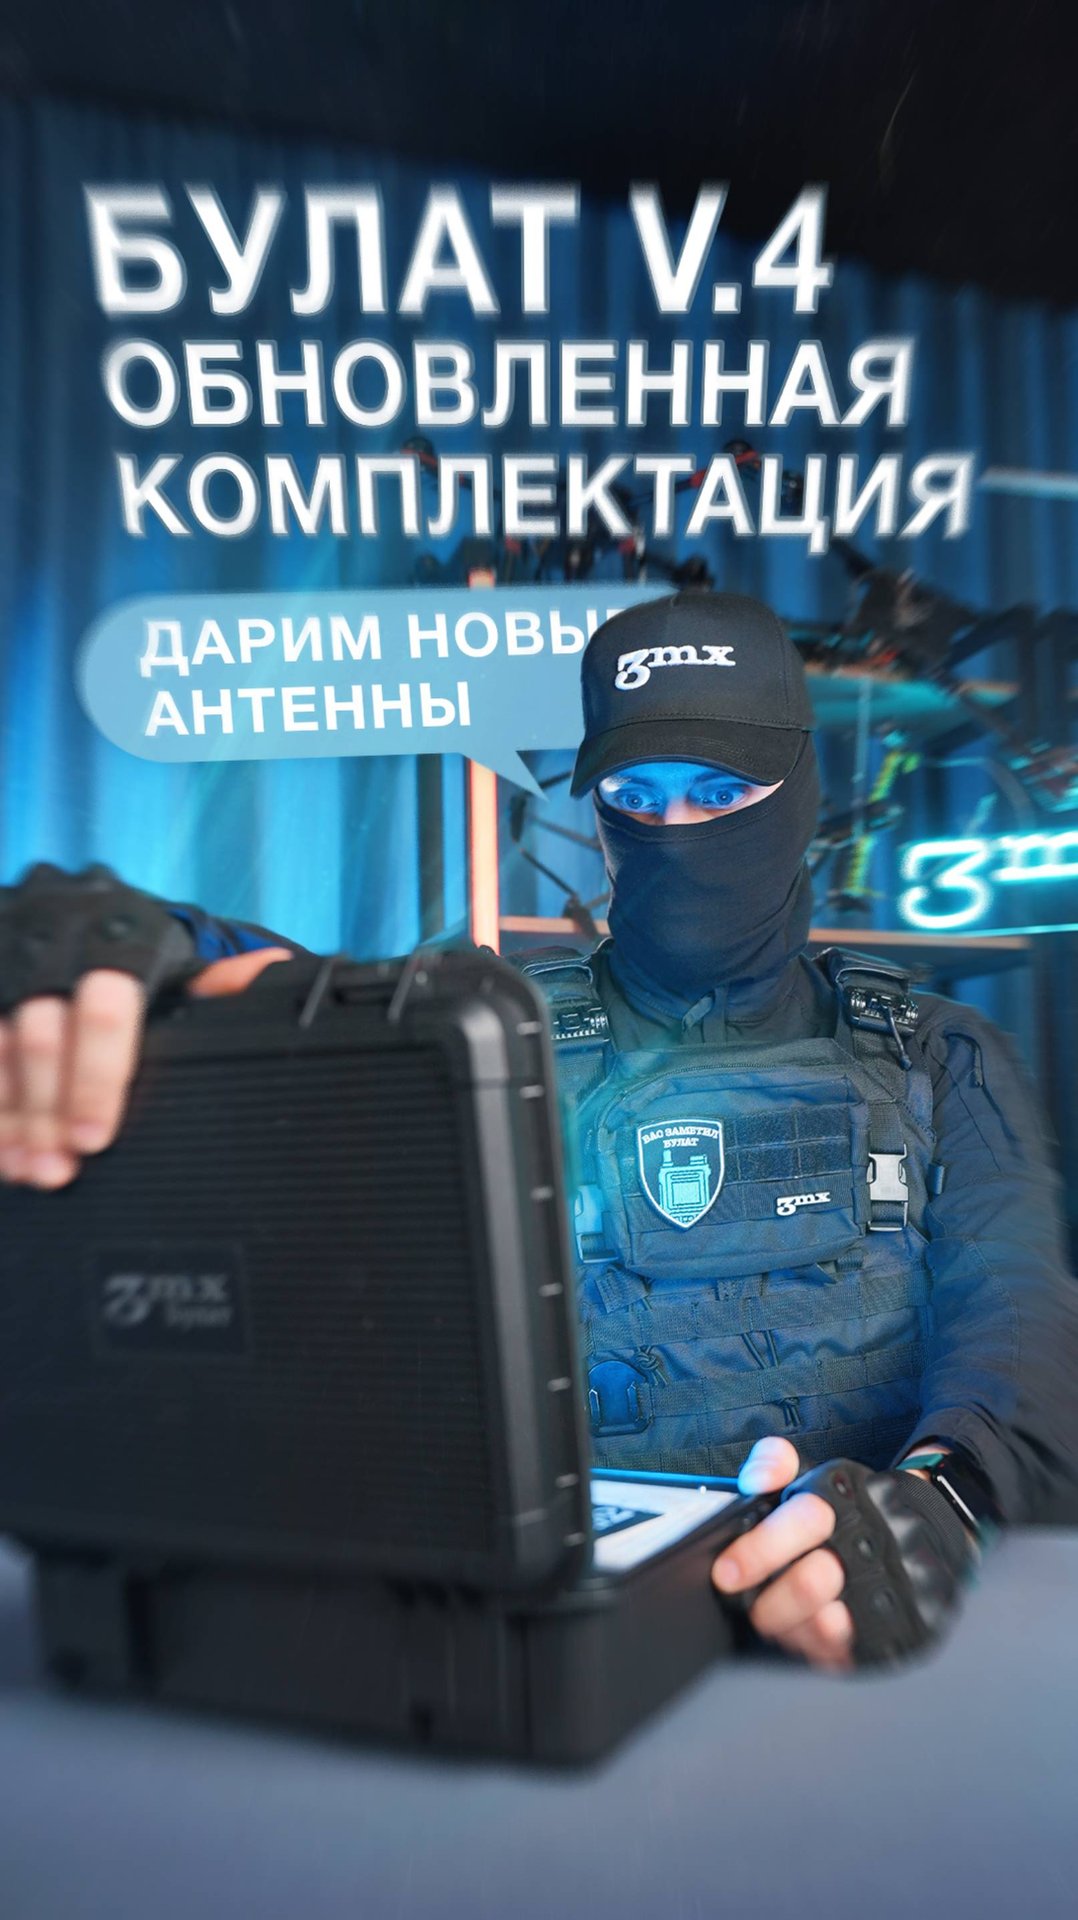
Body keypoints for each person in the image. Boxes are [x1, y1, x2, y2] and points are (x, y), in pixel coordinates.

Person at [2, 590, 1077, 1673]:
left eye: (720, 793)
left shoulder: (939, 1052)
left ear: (799, 792)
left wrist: (940, 1499)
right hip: (571, 1641)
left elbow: (1017, 1323)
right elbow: (303, 994)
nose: (676, 832)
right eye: (635, 797)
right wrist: (143, 944)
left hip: (863, 1653)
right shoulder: (491, 1032)